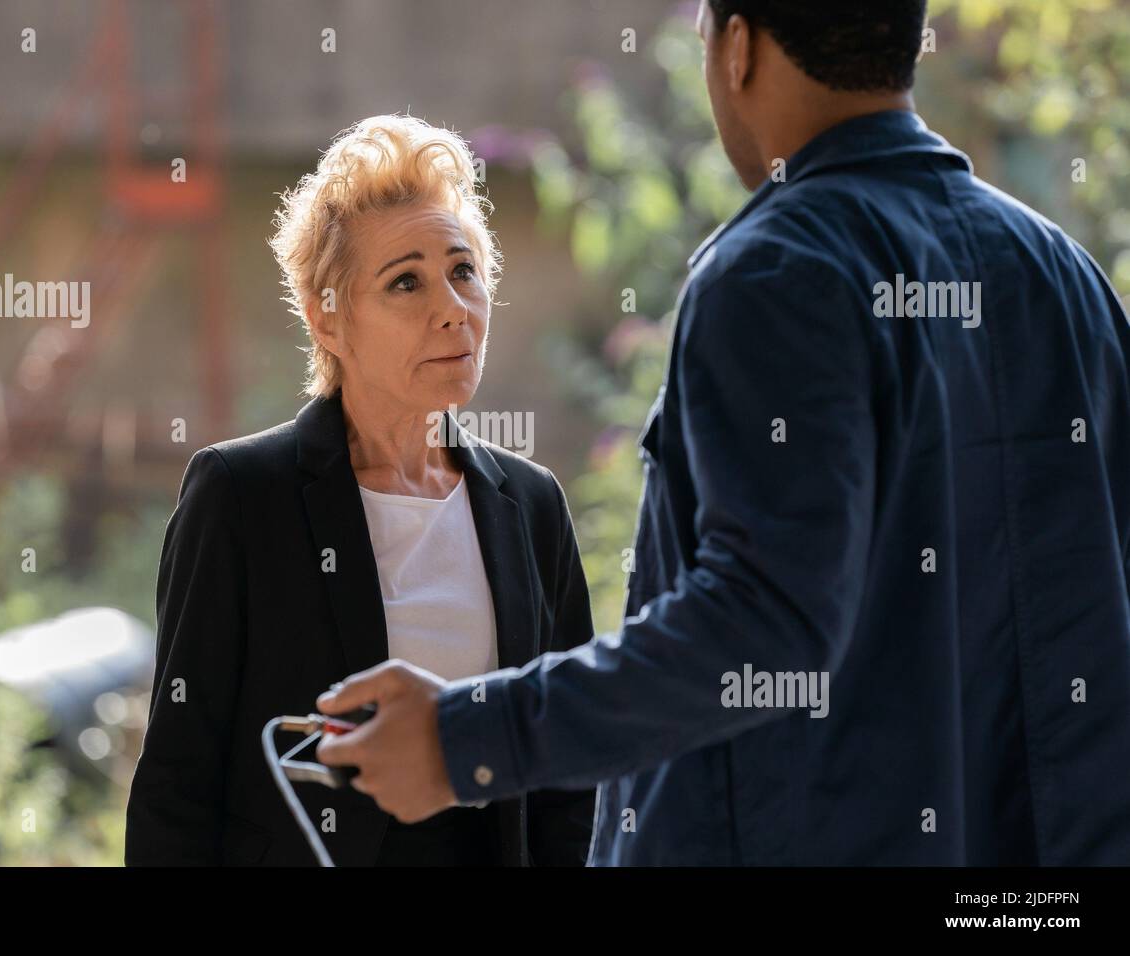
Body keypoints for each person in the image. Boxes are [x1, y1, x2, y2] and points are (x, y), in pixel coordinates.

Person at [315, 0, 1130, 865]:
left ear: (739, 47)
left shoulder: (780, 267)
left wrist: (465, 738)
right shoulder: (1062, 278)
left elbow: (760, 617)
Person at [125, 115, 596, 866]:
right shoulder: (241, 496)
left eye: (464, 269)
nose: (452, 306)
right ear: (328, 317)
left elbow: (570, 783)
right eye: (405, 281)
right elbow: (178, 784)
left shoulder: (532, 506)